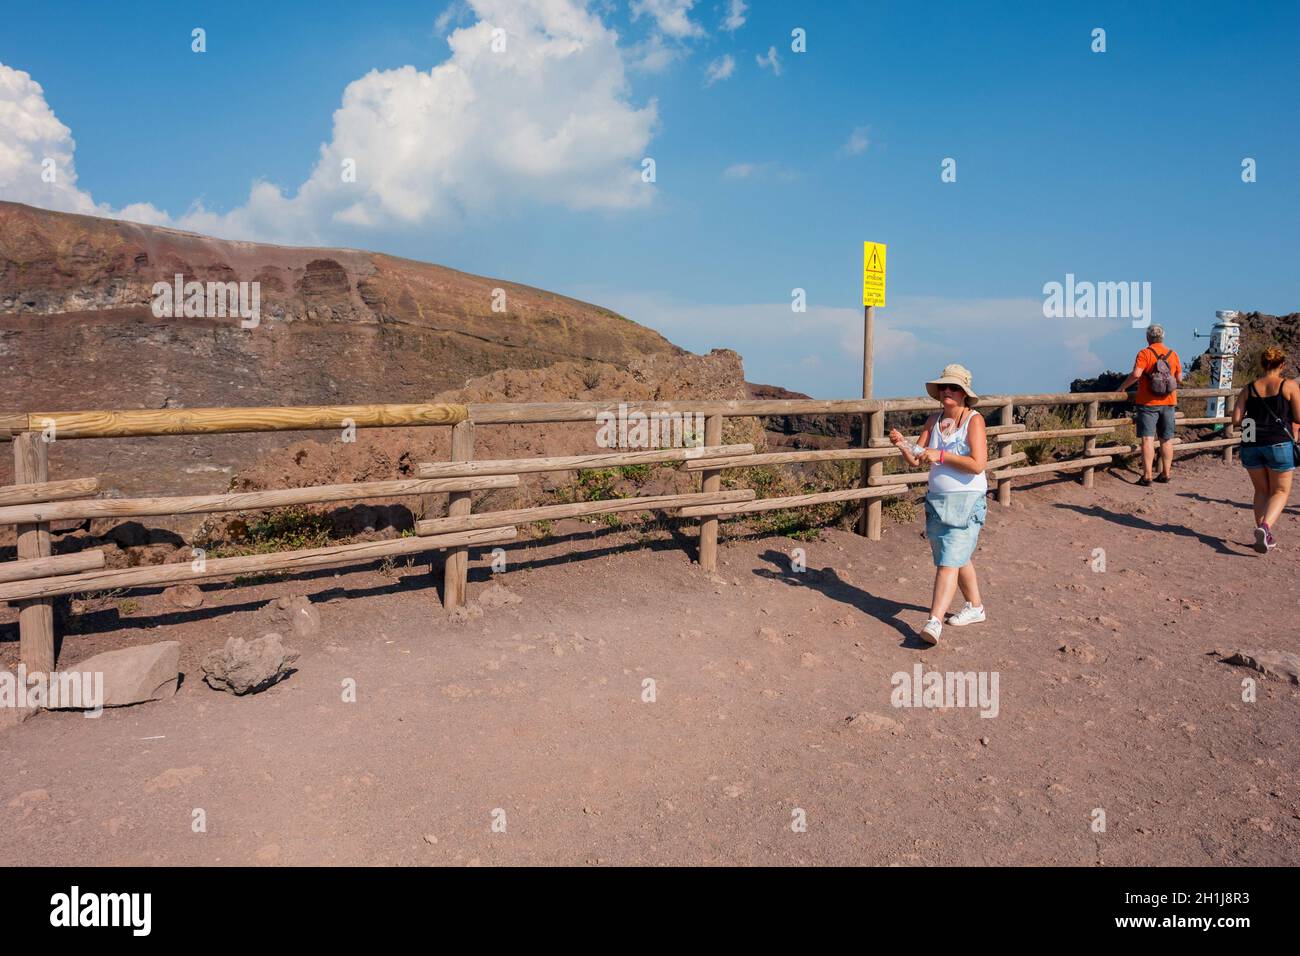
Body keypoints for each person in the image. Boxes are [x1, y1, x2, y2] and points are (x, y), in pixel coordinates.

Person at [890, 363, 989, 646]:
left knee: (948, 560)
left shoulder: (974, 421)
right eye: (944, 386)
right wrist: (902, 444)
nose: (947, 390)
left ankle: (934, 621)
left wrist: (941, 455)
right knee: (956, 555)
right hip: (937, 501)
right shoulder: (933, 421)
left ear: (964, 394)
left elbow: (978, 464)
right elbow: (916, 458)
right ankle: (975, 607)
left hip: (967, 501)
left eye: (954, 387)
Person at [1230, 346, 1300, 553]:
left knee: (1261, 490)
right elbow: (1299, 417)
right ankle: (1265, 528)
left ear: (1262, 363)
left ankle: (1263, 535)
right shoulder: (1288, 386)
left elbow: (1236, 420)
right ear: (1282, 365)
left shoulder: (1249, 388)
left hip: (1251, 444)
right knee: (1280, 491)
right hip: (1278, 442)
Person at [1117, 325, 1182, 486]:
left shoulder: (1144, 353)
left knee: (1147, 439)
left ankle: (1147, 476)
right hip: (1169, 402)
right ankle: (1166, 474)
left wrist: (1123, 387)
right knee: (1166, 439)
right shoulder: (1173, 354)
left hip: (1148, 403)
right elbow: (1179, 378)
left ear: (1148, 338)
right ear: (1163, 337)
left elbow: (1136, 374)